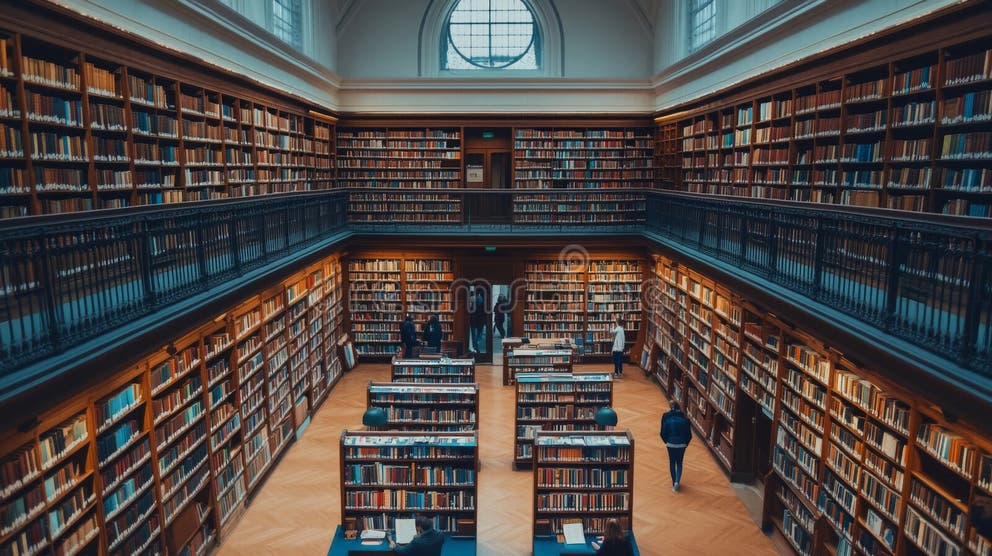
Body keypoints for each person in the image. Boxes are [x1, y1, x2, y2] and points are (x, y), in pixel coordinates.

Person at [660, 401, 692, 492]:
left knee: (672, 462)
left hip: (670, 443)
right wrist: (686, 444)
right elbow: (689, 435)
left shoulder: (667, 418)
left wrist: (666, 441)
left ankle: (674, 482)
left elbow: (662, 433)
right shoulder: (685, 420)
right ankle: (677, 481)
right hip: (682, 444)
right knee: (679, 462)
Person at [469, 287, 486, 353]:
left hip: (474, 318)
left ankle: (476, 346)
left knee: (474, 334)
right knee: (478, 333)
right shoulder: (480, 299)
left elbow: (471, 308)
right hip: (479, 318)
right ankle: (476, 345)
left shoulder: (473, 299)